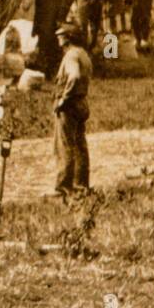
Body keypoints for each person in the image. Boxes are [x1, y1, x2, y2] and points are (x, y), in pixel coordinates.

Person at [52, 22, 92, 197]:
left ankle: (64, 185)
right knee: (80, 145)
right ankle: (81, 183)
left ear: (68, 38)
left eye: (61, 35)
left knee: (65, 145)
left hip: (70, 105)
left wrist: (63, 99)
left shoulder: (70, 56)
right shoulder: (83, 54)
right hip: (82, 102)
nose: (58, 38)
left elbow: (74, 76)